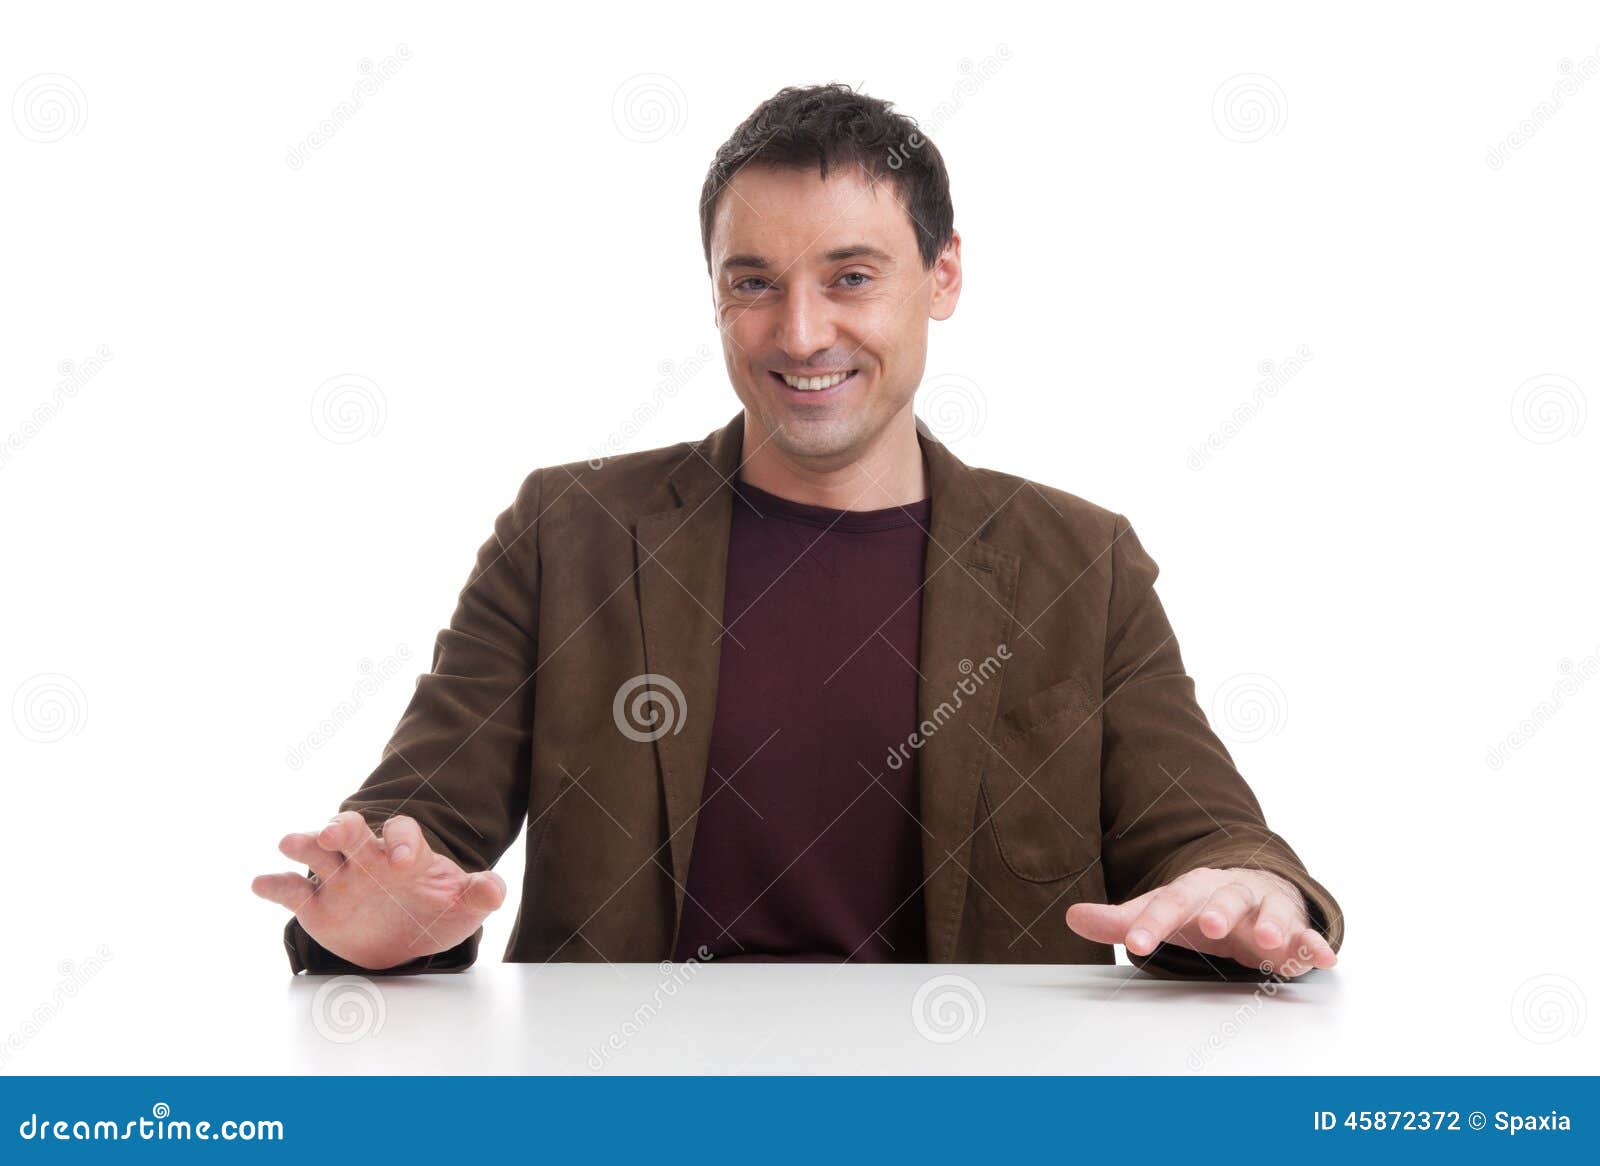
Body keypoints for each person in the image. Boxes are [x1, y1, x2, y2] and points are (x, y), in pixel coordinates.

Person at [252, 83, 1343, 981]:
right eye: (754, 284)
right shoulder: (568, 529)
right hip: (625, 1111)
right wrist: (365, 915)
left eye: (851, 277)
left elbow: (1204, 834)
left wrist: (1248, 892)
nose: (801, 331)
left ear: (943, 275)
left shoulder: (1079, 562)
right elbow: (417, 828)